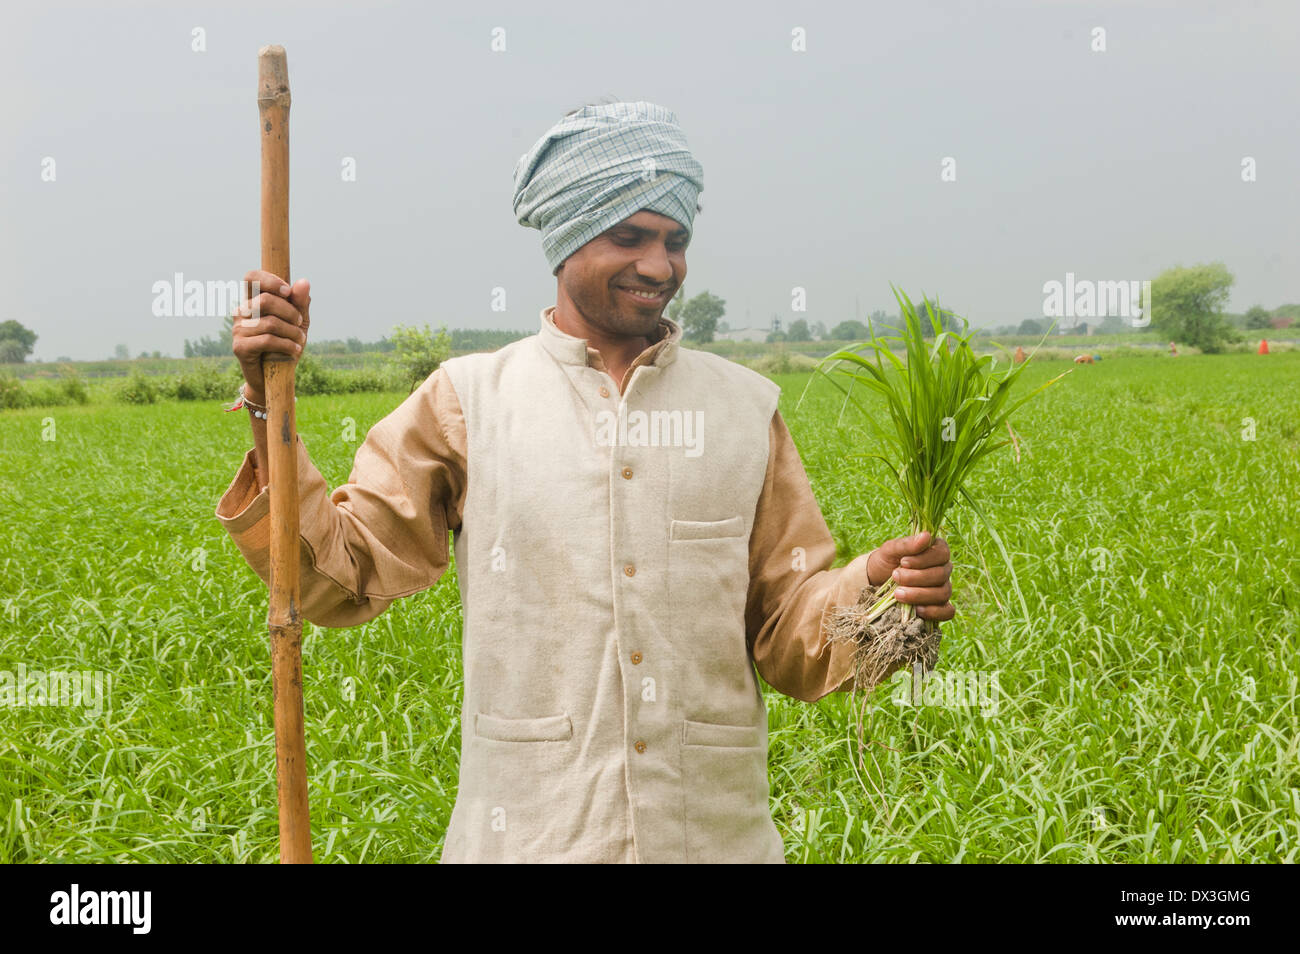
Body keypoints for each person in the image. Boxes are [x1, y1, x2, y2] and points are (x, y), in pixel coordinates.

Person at [215, 101, 954, 863]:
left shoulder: (743, 409)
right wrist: (268, 399)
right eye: (629, 236)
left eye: (675, 240)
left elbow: (786, 631)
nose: (660, 265)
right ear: (566, 240)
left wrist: (874, 585)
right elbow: (337, 576)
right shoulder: (469, 401)